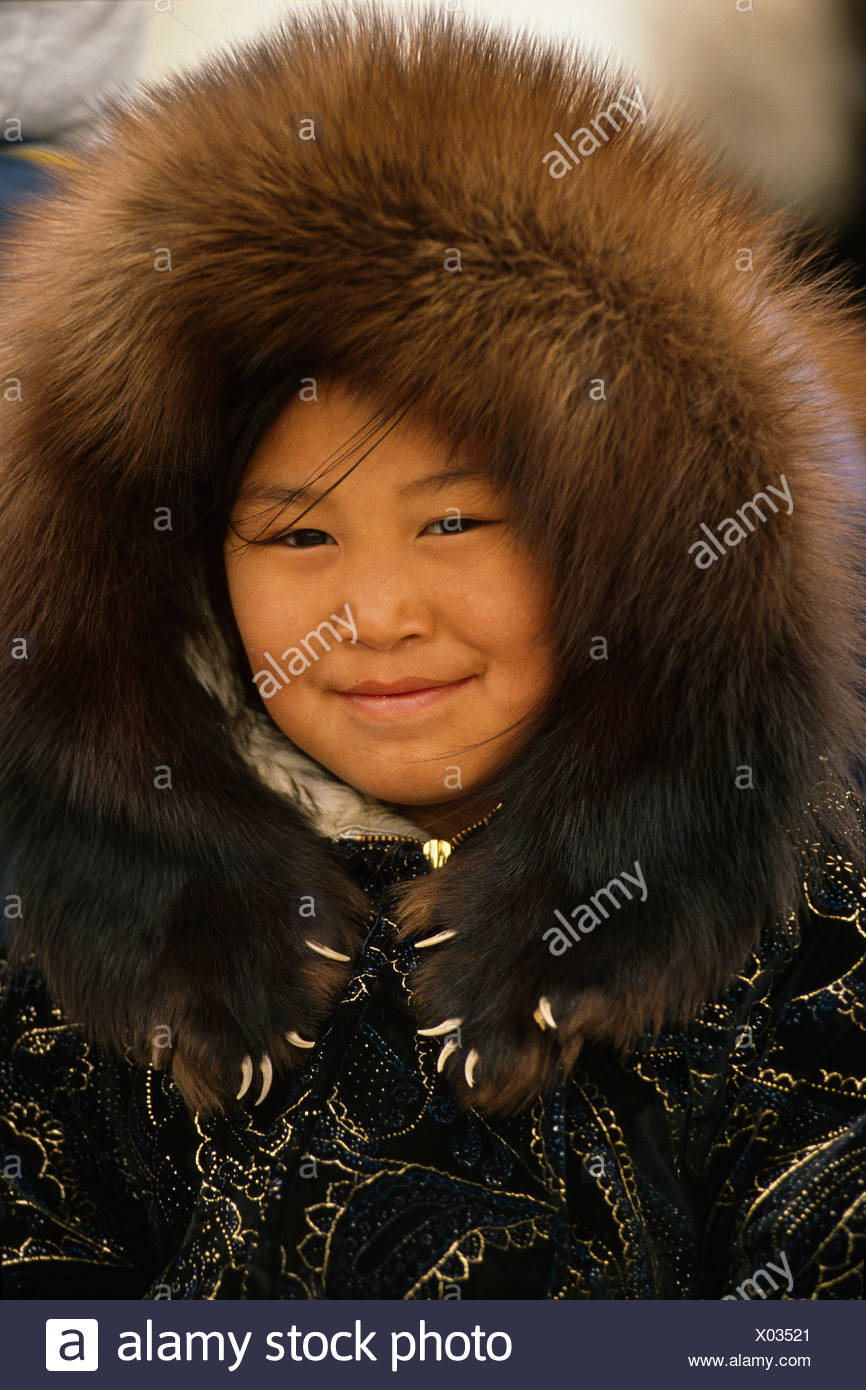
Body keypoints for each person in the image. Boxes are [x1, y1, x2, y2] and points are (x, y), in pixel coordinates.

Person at [1, 5, 865, 1300]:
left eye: (457, 520)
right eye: (296, 538)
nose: (383, 610)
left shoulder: (793, 922)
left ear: (620, 542)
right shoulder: (93, 972)